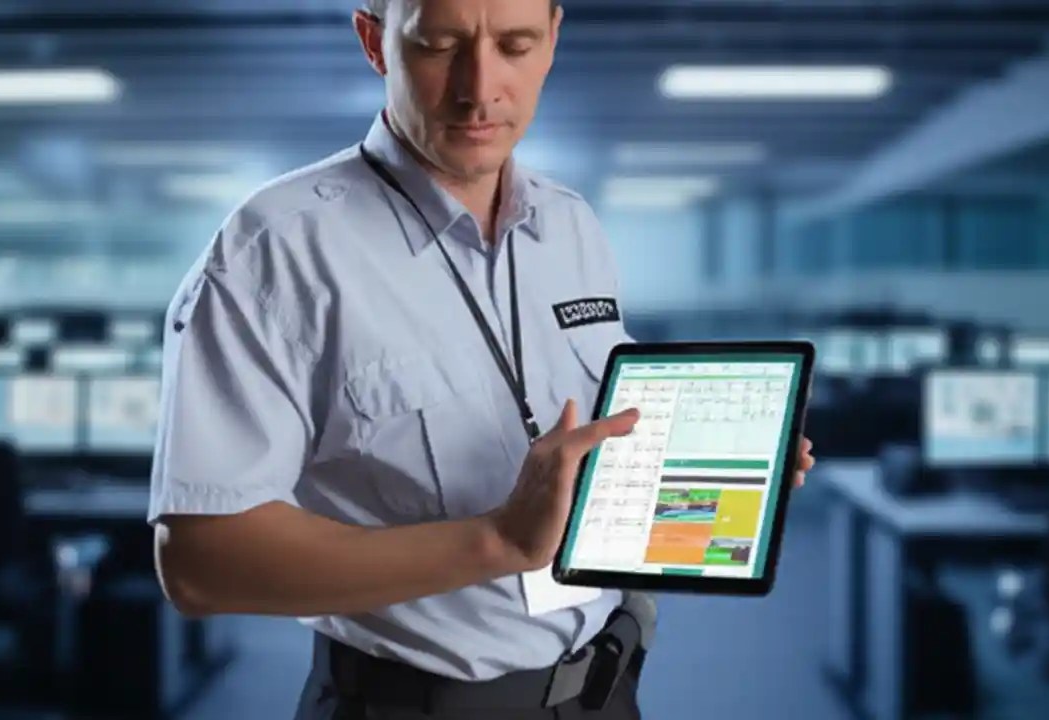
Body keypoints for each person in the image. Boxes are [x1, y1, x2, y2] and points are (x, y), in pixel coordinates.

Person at [148, 0, 816, 718]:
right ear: (375, 42)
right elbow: (200, 560)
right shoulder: (274, 251)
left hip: (605, 691)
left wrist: (713, 479)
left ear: (553, 41)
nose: (480, 88)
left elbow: (582, 465)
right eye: (439, 45)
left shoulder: (571, 227)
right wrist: (495, 541)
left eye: (516, 45)